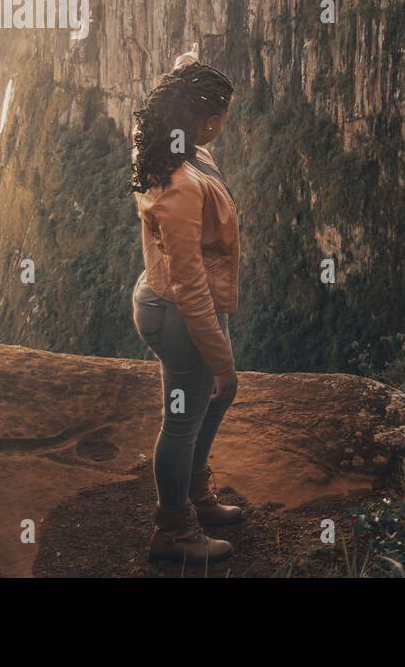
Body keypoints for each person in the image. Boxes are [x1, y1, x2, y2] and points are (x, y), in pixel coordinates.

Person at [129, 45, 242, 564]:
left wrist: (180, 70)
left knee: (204, 404)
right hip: (178, 311)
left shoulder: (162, 145)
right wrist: (222, 361)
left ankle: (195, 494)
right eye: (219, 114)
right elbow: (191, 284)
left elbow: (162, 103)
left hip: (178, 303)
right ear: (204, 120)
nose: (223, 123)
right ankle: (172, 530)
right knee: (183, 418)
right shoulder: (180, 183)